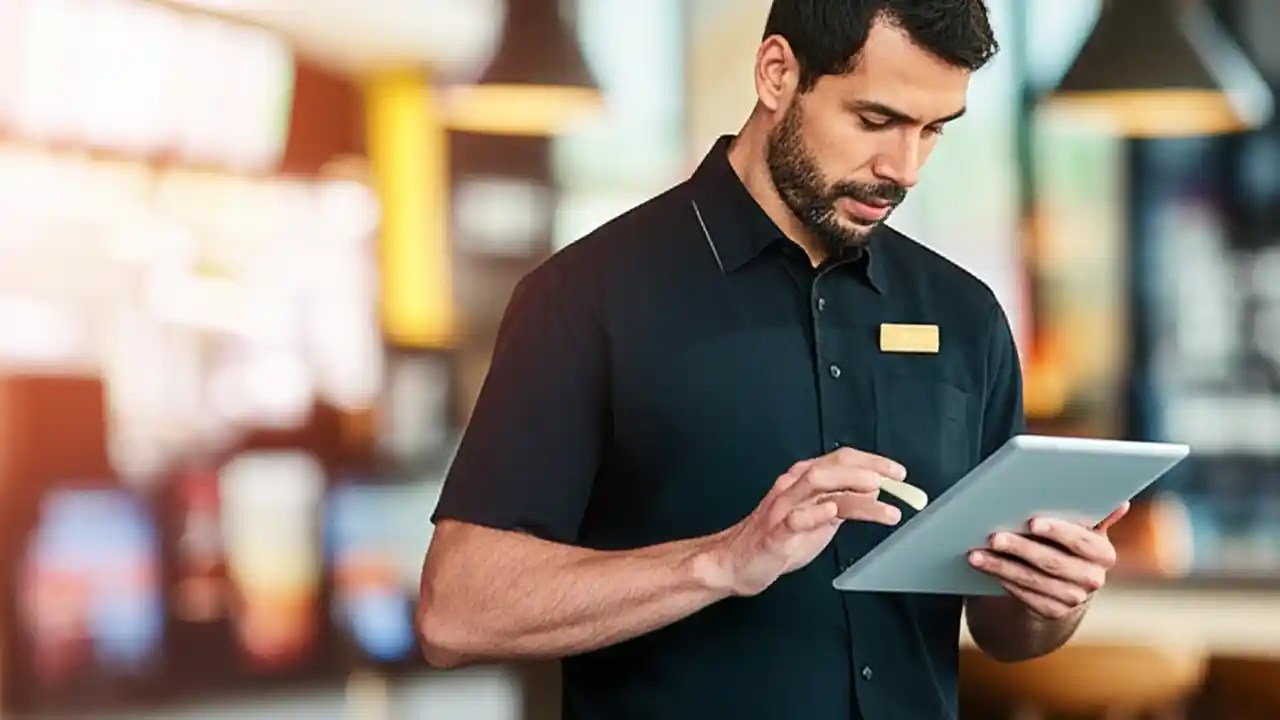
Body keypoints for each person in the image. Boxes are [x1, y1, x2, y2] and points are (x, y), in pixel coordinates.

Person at [418, 1, 1130, 718]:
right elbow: (458, 612)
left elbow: (1006, 632)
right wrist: (722, 562)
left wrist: (1051, 597)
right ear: (777, 74)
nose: (903, 168)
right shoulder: (583, 296)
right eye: (875, 121)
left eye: (933, 129)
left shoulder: (965, 315)